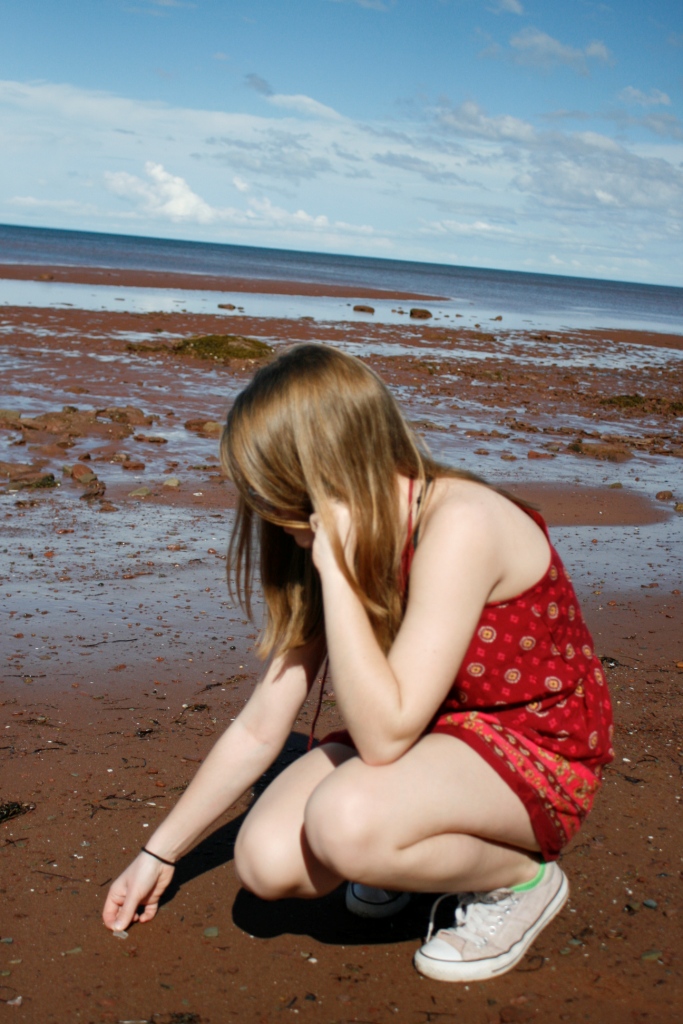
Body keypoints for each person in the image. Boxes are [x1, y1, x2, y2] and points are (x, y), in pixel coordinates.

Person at [103, 343, 613, 983]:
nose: (266, 516)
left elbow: (381, 736)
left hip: (534, 749)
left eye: (272, 496)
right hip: (430, 740)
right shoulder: (328, 539)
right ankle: (406, 851)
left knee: (345, 823)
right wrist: (160, 852)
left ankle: (521, 880)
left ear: (320, 478)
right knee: (263, 861)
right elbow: (264, 724)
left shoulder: (461, 525)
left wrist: (337, 568)